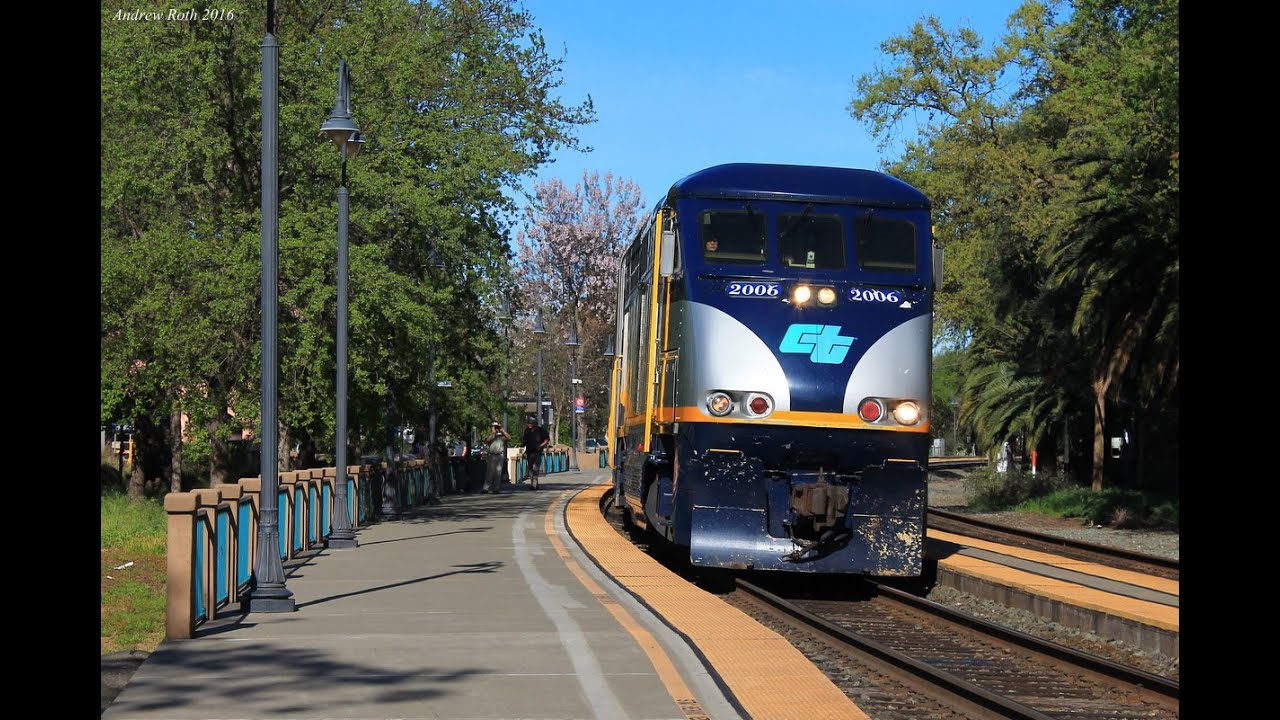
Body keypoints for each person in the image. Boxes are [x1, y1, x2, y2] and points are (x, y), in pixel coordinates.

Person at [520, 415, 550, 490]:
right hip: (529, 452)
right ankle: (532, 483)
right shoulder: (527, 430)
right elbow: (524, 440)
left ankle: (535, 484)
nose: (529, 424)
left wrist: (541, 446)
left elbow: (546, 440)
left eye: (531, 423)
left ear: (534, 423)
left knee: (536, 468)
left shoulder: (540, 430)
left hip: (537, 452)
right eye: (528, 423)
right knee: (530, 468)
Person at [482, 421, 509, 494]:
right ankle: (486, 488)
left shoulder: (501, 437)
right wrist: (493, 432)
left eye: (497, 427)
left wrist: (502, 430)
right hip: (492, 455)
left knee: (498, 473)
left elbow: (509, 438)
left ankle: (496, 488)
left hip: (500, 455)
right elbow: (487, 440)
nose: (497, 429)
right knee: (490, 473)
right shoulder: (491, 436)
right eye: (495, 427)